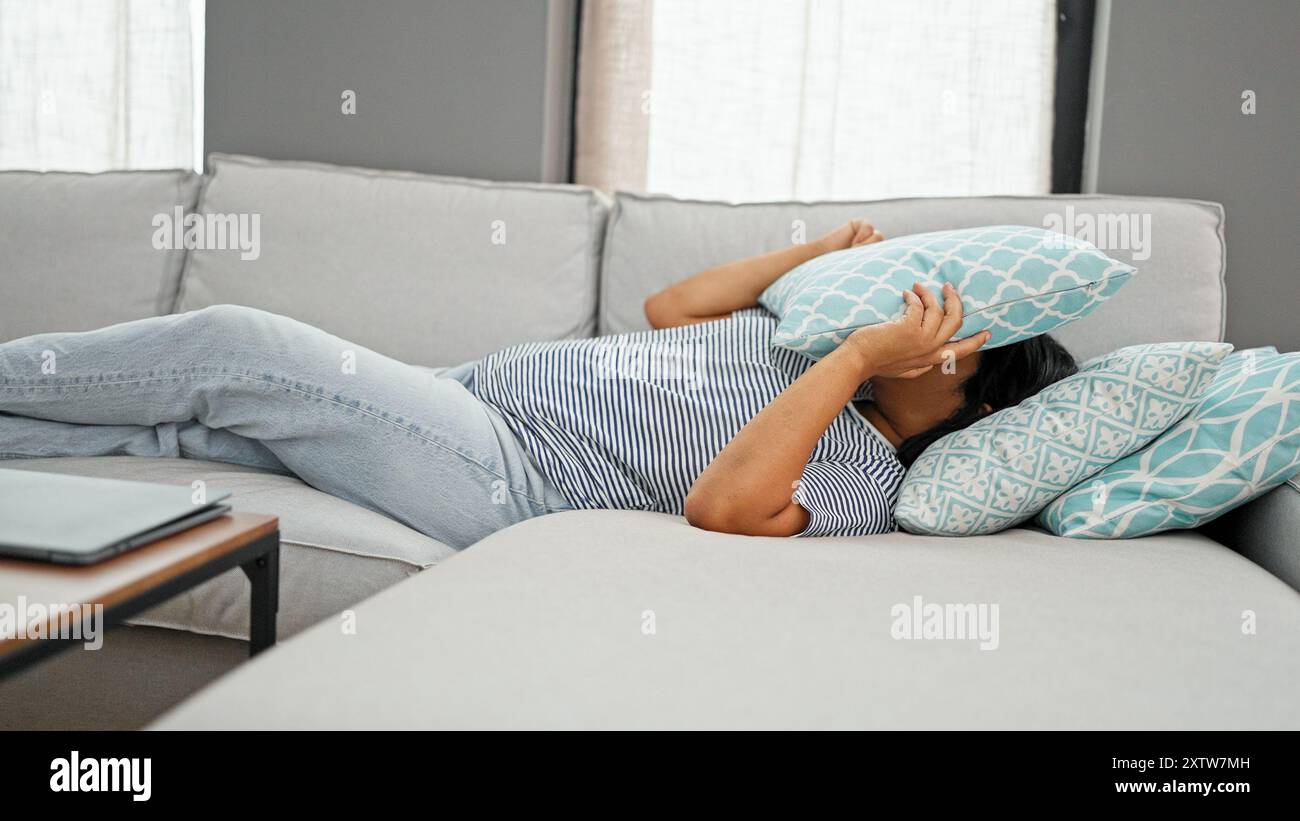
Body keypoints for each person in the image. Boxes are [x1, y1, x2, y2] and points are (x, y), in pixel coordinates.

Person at [0, 220, 1076, 548]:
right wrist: (818, 268)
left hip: (504, 471)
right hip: (463, 393)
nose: (914, 336)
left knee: (240, 347)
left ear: (975, 401)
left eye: (951, 346)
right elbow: (672, 308)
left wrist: (855, 361)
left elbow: (723, 506)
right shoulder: (807, 345)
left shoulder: (865, 479)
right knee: (185, 441)